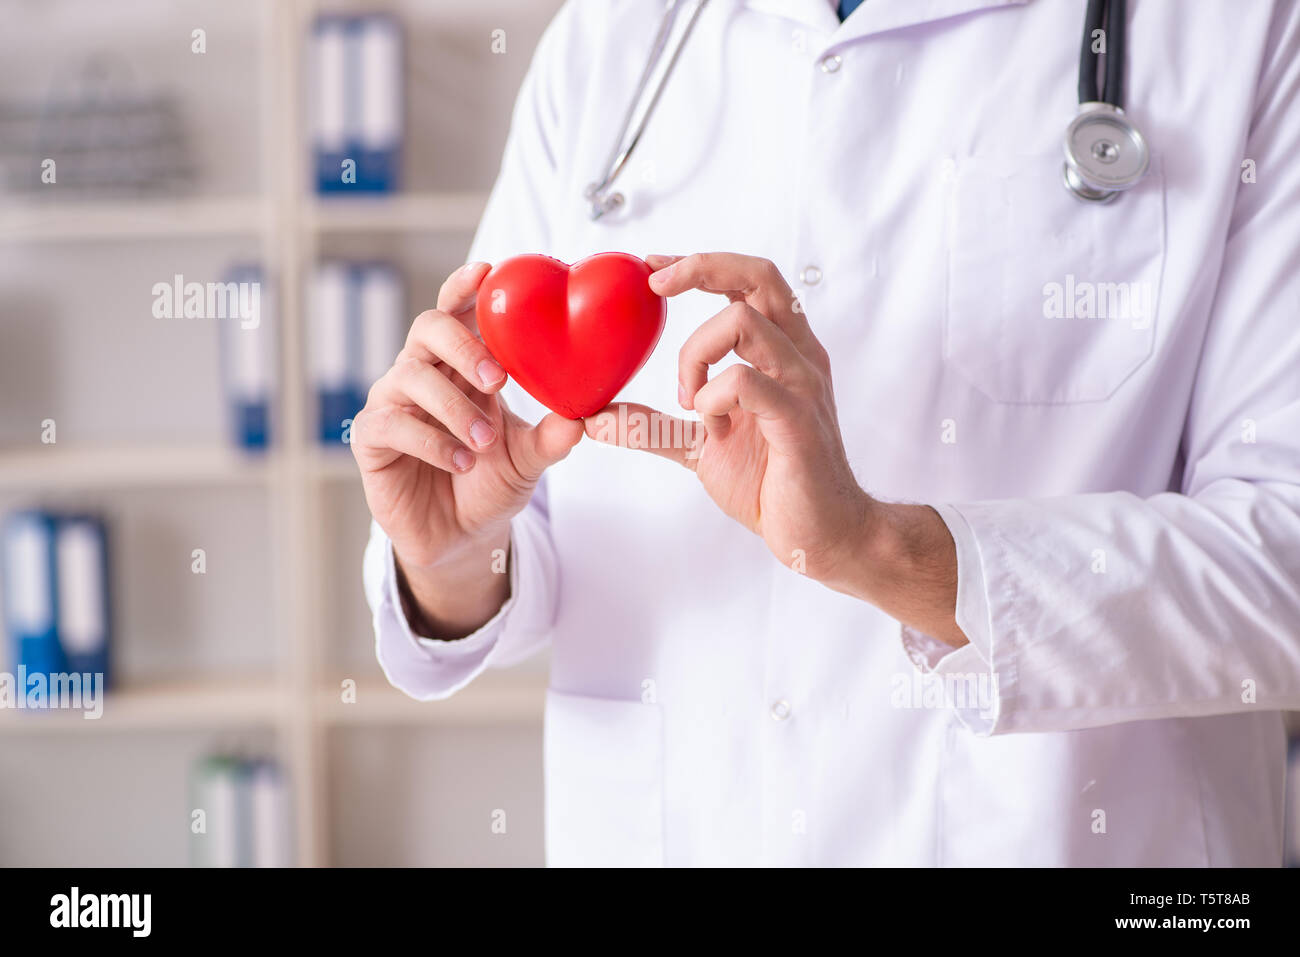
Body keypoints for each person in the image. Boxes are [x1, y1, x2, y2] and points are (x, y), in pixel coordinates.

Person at [353, 0, 1300, 865]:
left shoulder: (1236, 26)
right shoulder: (615, 39)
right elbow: (531, 515)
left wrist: (883, 550)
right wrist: (452, 554)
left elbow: (1284, 555)